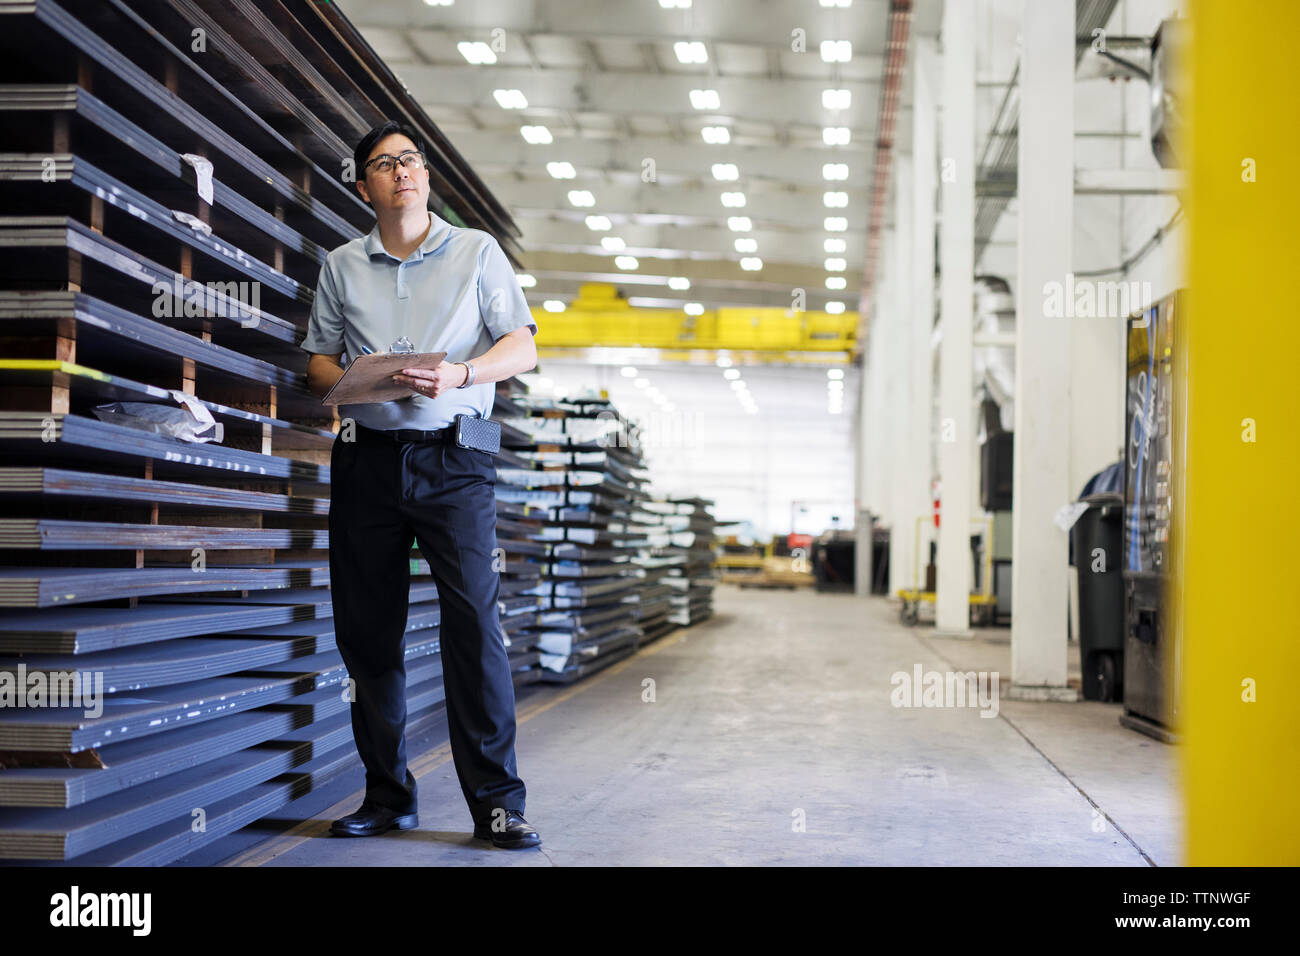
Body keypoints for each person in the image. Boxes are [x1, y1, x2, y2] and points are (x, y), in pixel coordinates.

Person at [302, 121, 541, 849]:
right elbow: (316, 359)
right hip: (367, 460)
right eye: (384, 163)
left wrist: (461, 373)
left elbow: (523, 346)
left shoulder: (476, 251)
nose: (401, 171)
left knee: (474, 632)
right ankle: (387, 797)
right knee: (368, 636)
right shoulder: (342, 265)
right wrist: (349, 383)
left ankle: (496, 805)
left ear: (426, 176)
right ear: (363, 184)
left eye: (411, 160)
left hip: (454, 462)